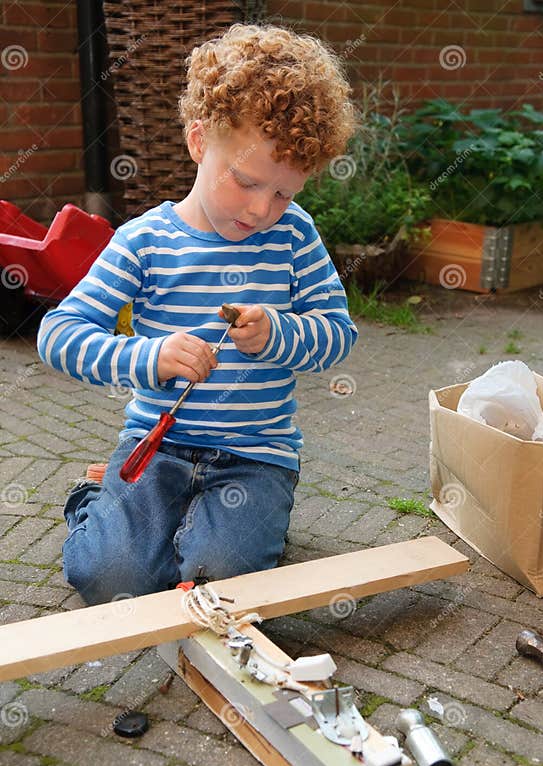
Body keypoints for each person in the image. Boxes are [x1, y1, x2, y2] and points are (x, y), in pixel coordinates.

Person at [37, 23, 358, 605]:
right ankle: (95, 499)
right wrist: (148, 356)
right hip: (156, 447)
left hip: (255, 457)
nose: (263, 209)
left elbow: (337, 334)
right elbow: (58, 334)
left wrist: (278, 334)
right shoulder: (145, 241)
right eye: (246, 181)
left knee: (222, 587)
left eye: (285, 193)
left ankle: (222, 533)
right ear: (197, 140)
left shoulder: (294, 237)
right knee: (111, 581)